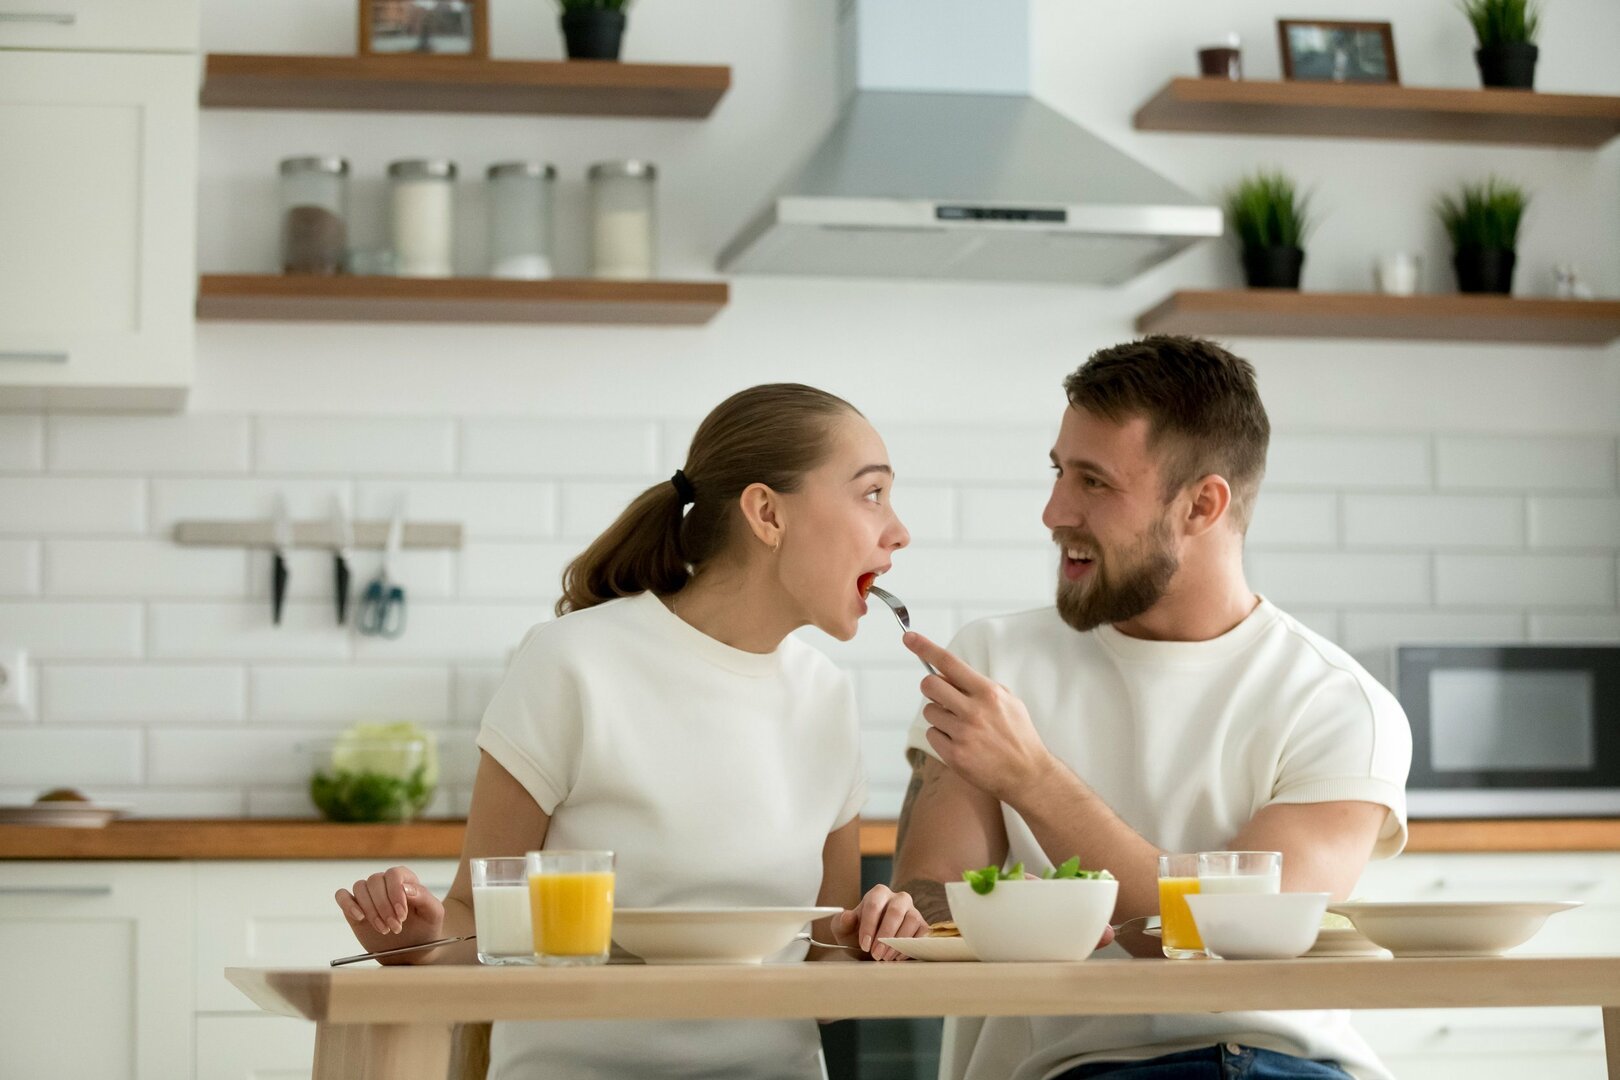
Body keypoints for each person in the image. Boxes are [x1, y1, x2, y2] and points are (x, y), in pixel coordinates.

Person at [335, 383, 929, 1080]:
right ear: (767, 513)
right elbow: (476, 921)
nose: (898, 531)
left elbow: (823, 971)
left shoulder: (827, 695)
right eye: (872, 494)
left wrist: (870, 933)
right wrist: (422, 943)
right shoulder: (571, 662)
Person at [891, 336, 1411, 1080]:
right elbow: (927, 896)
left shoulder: (1338, 703)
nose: (1053, 511)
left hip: (1288, 1065)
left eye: (1094, 483)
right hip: (1077, 1065)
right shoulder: (995, 664)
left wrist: (1034, 780)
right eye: (1058, 471)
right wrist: (997, 910)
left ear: (1203, 504)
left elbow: (1232, 944)